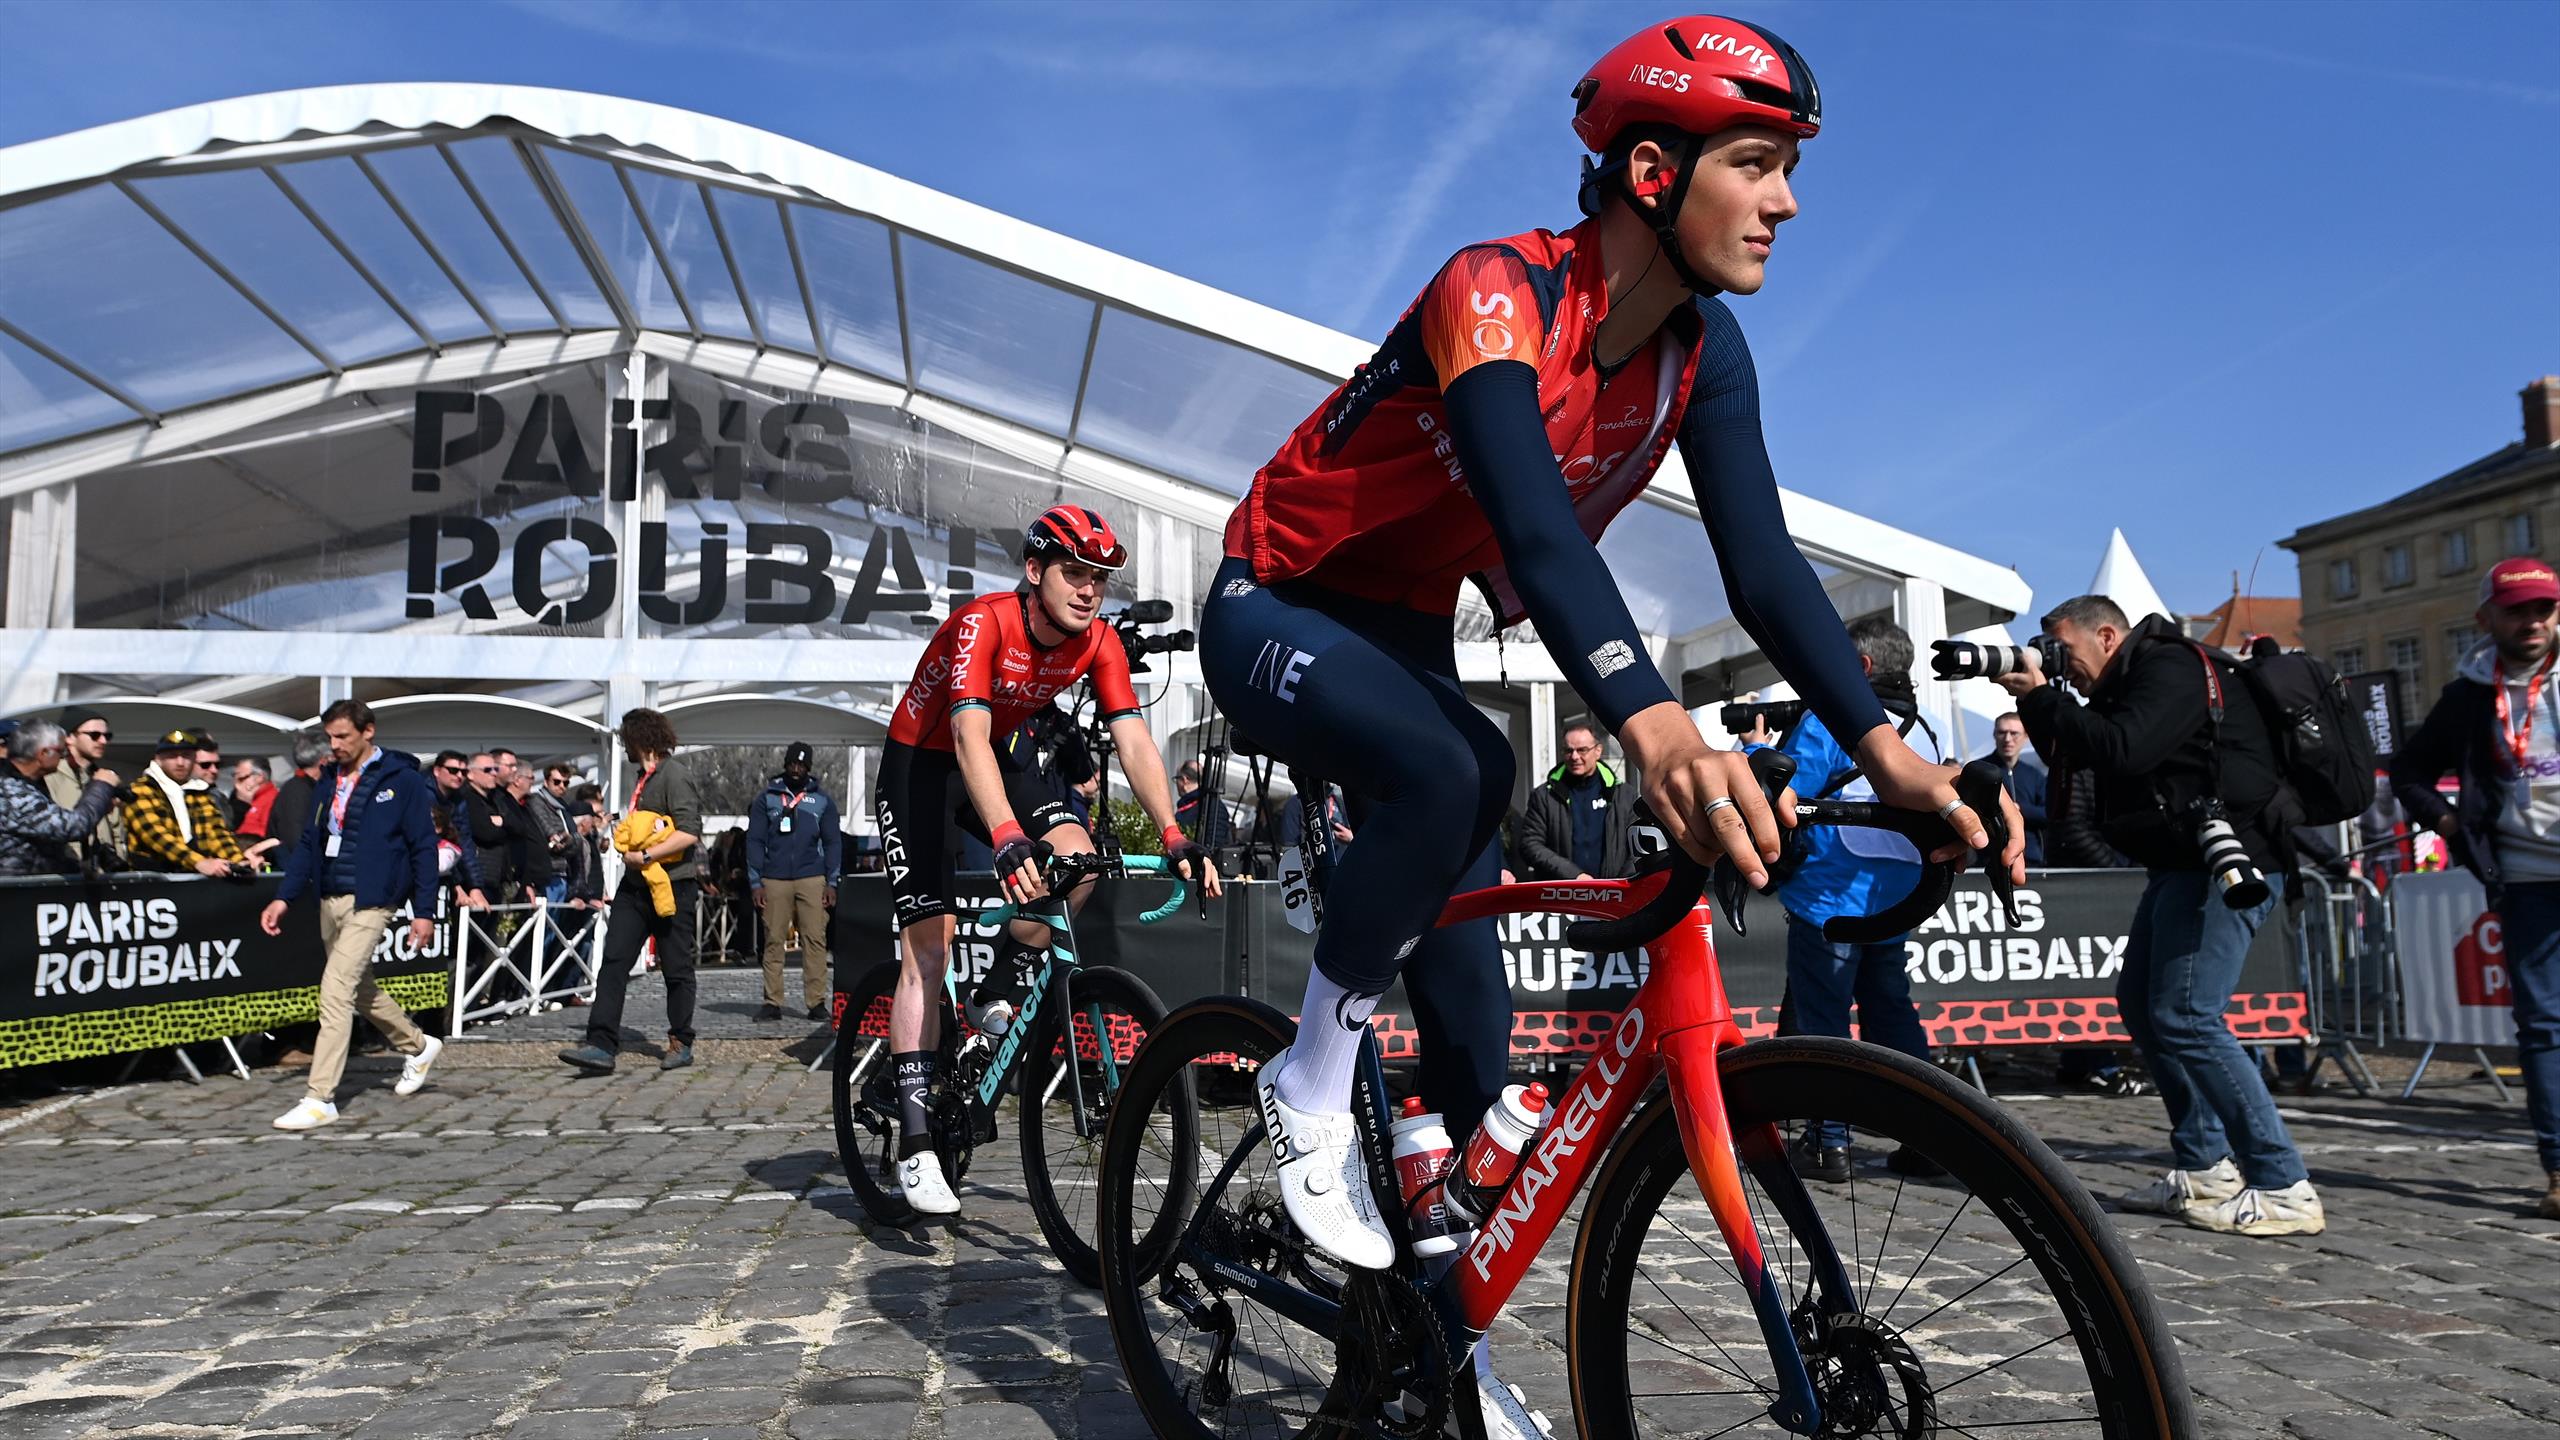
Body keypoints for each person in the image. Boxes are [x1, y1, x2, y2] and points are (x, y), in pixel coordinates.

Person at [1197, 15, 2018, 1345]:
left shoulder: (1703, 351)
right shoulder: (1496, 290)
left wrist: (1887, 751)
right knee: (1463, 765)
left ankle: (1426, 1323)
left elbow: (1763, 569)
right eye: (1756, 161)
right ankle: (1307, 1072)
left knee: (1478, 1009)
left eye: (1788, 168)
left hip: (1403, 629)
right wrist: (1653, 725)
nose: (1787, 201)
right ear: (1652, 173)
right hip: (1275, 601)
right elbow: (1537, 532)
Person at [875, 504, 1220, 1215]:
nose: (1089, 589)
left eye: (1099, 577)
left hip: (996, 753)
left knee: (1080, 862)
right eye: (1074, 573)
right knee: (929, 949)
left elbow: (1134, 741)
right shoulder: (986, 622)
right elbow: (967, 736)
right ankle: (913, 1141)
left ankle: (994, 989)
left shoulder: (1096, 642)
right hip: (923, 762)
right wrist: (1004, 836)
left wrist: (1173, 834)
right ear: (1034, 572)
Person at [1997, 594, 2320, 1236]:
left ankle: (2284, 1185)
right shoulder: (2127, 681)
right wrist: (2041, 702)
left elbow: (2123, 750)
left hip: (2229, 861)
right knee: (2144, 1004)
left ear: (2108, 635)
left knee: (2188, 1015)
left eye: (2064, 646)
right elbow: (2088, 757)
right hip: (2182, 861)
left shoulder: (2168, 668)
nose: (2059, 661)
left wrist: (2040, 698)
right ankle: (2204, 1170)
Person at [2390, 555, 2560, 1218]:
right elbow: (2409, 770)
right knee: (2545, 1029)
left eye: (2543, 608)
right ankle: (2558, 1171)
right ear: (2486, 617)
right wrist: (2449, 821)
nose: (2533, 621)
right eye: (2517, 609)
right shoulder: (2467, 696)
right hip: (2524, 881)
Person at [1768, 618, 1944, 1181]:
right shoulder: (1928, 728)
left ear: (1861, 667)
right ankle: (1933, 1137)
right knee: (1892, 1014)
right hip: (1898, 897)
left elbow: (1782, 792)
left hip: (1829, 897)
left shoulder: (1832, 719)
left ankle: (1829, 1142)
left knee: (1823, 1021)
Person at [259, 701, 445, 1131]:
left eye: (343, 736)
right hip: (331, 897)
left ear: (368, 732)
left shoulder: (404, 781)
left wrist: (424, 911)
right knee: (361, 989)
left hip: (374, 900)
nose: (335, 745)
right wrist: (284, 896)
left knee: (335, 990)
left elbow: (422, 847)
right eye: (331, 737)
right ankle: (417, 1046)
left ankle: (320, 1097)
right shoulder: (327, 779)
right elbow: (309, 842)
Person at [558, 708, 704, 1076]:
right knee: (615, 960)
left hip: (673, 886)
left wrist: (646, 854)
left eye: (626, 738)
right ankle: (601, 1044)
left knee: (677, 967)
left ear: (640, 737)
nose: (623, 745)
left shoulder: (674, 775)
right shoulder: (643, 779)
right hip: (635, 887)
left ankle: (681, 1040)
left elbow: (689, 831)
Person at [746, 740, 842, 1022]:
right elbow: (754, 841)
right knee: (773, 939)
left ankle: (816, 1003)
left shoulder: (822, 801)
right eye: (792, 764)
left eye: (802, 765)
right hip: (774, 879)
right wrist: (756, 882)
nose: (796, 769)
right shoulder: (767, 798)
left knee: (815, 940)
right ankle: (772, 1002)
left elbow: (833, 843)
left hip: (813, 878)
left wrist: (832, 883)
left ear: (809, 768)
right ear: (786, 765)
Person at [1515, 723, 1637, 880]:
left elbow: (1638, 847)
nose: (1574, 757)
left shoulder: (1625, 795)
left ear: (1598, 751)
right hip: (1562, 896)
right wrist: (1573, 875)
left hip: (1613, 896)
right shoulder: (1543, 796)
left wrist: (1621, 884)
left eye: (1582, 750)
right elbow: (1530, 844)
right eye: (1568, 750)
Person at [123, 729, 253, 876]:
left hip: (190, 877)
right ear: (158, 759)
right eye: (172, 756)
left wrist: (238, 861)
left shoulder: (199, 792)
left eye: (186, 756)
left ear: (194, 758)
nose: (180, 763)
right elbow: (155, 835)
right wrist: (198, 862)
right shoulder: (141, 790)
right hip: (152, 878)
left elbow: (217, 833)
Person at [0, 719, 119, 878]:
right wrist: (101, 786)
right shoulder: (10, 791)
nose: (63, 757)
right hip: (15, 896)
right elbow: (74, 827)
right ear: (43, 754)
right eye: (61, 752)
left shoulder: (27, 785)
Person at [46, 707, 124, 868]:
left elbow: (117, 831)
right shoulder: (49, 776)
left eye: (106, 736)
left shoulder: (104, 778)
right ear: (69, 738)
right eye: (94, 735)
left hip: (106, 877)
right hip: (66, 879)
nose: (103, 741)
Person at [1985, 712, 2048, 865]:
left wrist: (2019, 809)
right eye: (2002, 733)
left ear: (2025, 736)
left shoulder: (2034, 775)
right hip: (1988, 856)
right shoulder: (1981, 770)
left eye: (2014, 733)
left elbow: (2049, 814)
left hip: (2031, 857)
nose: (2007, 739)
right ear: (1994, 734)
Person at [267, 731, 327, 871]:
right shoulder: (297, 791)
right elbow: (296, 838)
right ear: (324, 761)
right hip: (298, 877)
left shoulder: (308, 789)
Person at [1172, 758, 1235, 852]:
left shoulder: (1212, 806)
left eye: (1176, 779)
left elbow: (1216, 845)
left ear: (1184, 779)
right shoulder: (1189, 804)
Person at [231, 758, 282, 866]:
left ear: (259, 778)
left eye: (241, 778)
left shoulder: (271, 799)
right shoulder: (255, 800)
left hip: (256, 857)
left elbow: (268, 834)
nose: (236, 784)